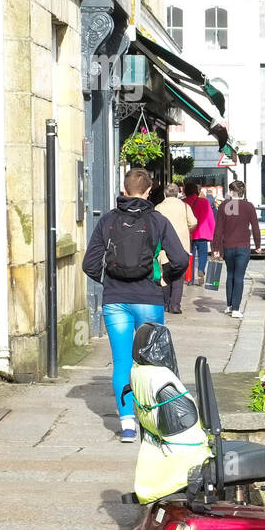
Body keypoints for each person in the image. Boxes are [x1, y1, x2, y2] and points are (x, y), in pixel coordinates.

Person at [82, 167, 190, 442]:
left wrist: (108, 282)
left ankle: (127, 424)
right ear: (149, 190)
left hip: (115, 300)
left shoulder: (107, 221)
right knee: (153, 362)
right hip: (149, 299)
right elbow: (180, 259)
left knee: (121, 362)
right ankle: (152, 421)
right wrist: (164, 278)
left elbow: (89, 264)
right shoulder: (157, 220)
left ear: (124, 189)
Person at [212, 180, 261, 318]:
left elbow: (218, 229)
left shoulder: (224, 206)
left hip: (228, 246)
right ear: (242, 192)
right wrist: (258, 245)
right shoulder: (249, 206)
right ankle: (236, 308)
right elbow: (255, 228)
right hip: (243, 246)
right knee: (239, 276)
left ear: (231, 192)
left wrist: (215, 247)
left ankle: (229, 305)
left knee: (230, 274)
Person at [155, 181, 197, 314]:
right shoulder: (185, 206)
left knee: (165, 274)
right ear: (178, 193)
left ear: (164, 194)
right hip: (182, 245)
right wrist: (186, 229)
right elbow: (194, 222)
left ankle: (165, 304)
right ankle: (175, 305)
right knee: (179, 276)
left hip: (164, 246)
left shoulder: (158, 208)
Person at [183, 181, 215, 285]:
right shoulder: (204, 202)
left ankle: (190, 279)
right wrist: (213, 233)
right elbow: (210, 218)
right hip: (202, 233)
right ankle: (201, 269)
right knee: (203, 254)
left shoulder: (183, 202)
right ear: (196, 191)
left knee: (189, 256)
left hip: (189, 234)